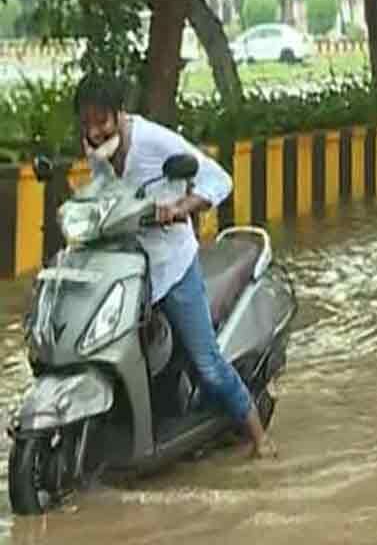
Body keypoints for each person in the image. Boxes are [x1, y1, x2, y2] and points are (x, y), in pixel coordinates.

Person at [73, 73, 276, 459]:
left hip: (172, 265)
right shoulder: (96, 150)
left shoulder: (153, 141)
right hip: (128, 266)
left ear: (119, 114)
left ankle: (260, 439)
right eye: (87, 122)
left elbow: (219, 179)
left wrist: (179, 208)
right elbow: (104, 194)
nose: (95, 131)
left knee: (209, 364)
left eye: (102, 121)